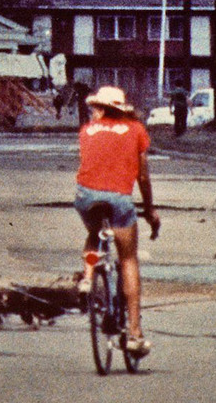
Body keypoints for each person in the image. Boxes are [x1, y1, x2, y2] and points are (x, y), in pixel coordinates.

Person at [73, 85, 161, 354]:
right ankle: (134, 333)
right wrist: (150, 211)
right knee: (128, 259)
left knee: (93, 235)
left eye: (96, 108)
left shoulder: (87, 129)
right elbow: (143, 176)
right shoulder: (136, 130)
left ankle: (88, 276)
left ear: (101, 109)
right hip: (119, 199)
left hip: (86, 196)